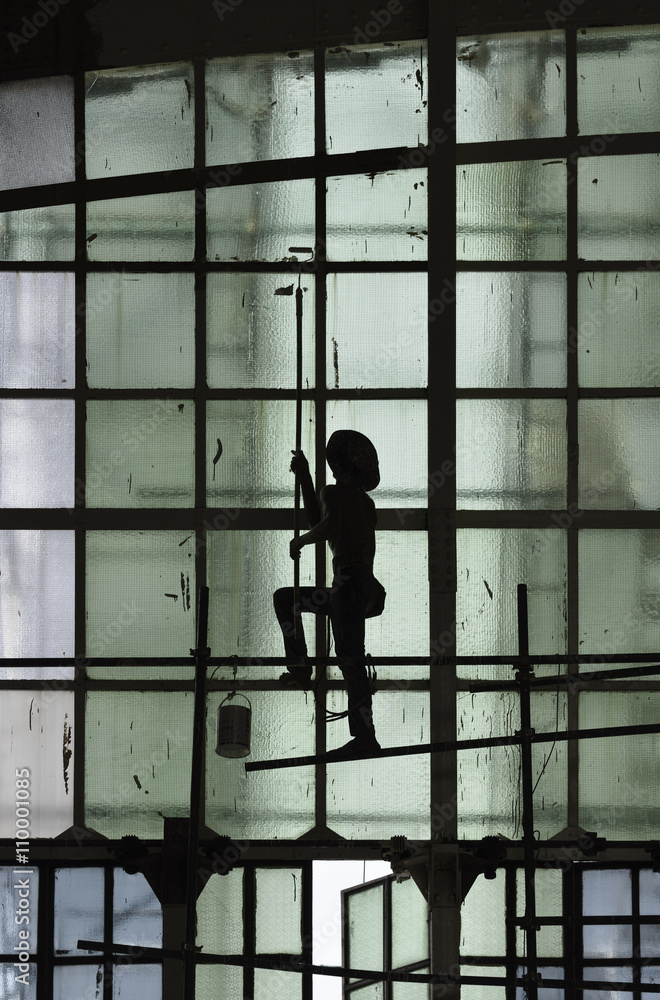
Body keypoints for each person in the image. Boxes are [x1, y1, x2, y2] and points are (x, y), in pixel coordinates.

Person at [273, 430, 386, 760]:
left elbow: (327, 524)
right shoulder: (365, 502)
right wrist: (305, 477)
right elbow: (319, 517)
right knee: (289, 601)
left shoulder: (335, 493)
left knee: (351, 661)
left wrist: (301, 542)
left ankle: (365, 734)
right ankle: (300, 668)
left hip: (348, 587)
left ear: (337, 465)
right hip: (358, 590)